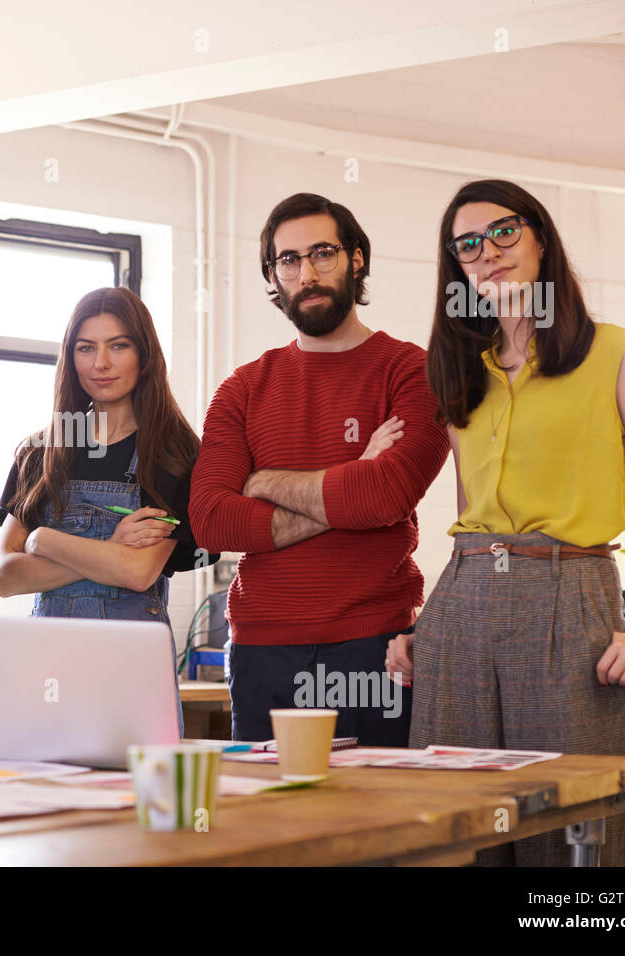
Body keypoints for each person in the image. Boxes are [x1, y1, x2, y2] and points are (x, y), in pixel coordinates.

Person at [388, 179, 625, 866]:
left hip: (570, 601)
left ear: (540, 240)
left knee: (572, 835)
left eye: (504, 232)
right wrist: (424, 622)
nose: (488, 252)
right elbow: (474, 522)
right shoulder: (460, 373)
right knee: (454, 831)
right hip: (462, 609)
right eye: (467, 244)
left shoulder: (614, 354)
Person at [189, 193, 450, 747]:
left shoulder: (412, 372)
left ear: (357, 259)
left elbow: (385, 496)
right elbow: (211, 521)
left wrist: (259, 483)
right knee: (273, 823)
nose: (306, 273)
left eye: (323, 253)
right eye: (288, 260)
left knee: (379, 819)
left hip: (375, 646)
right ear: (274, 275)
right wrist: (353, 474)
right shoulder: (241, 390)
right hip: (263, 649)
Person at [0, 287, 213, 733]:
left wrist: (44, 541)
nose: (101, 363)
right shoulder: (41, 451)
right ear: (70, 359)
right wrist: (108, 550)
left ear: (144, 354)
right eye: (86, 348)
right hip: (47, 668)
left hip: (131, 669)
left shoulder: (174, 456)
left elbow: (137, 573)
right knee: (48, 796)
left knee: (134, 799)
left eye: (119, 345)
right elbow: (4, 577)